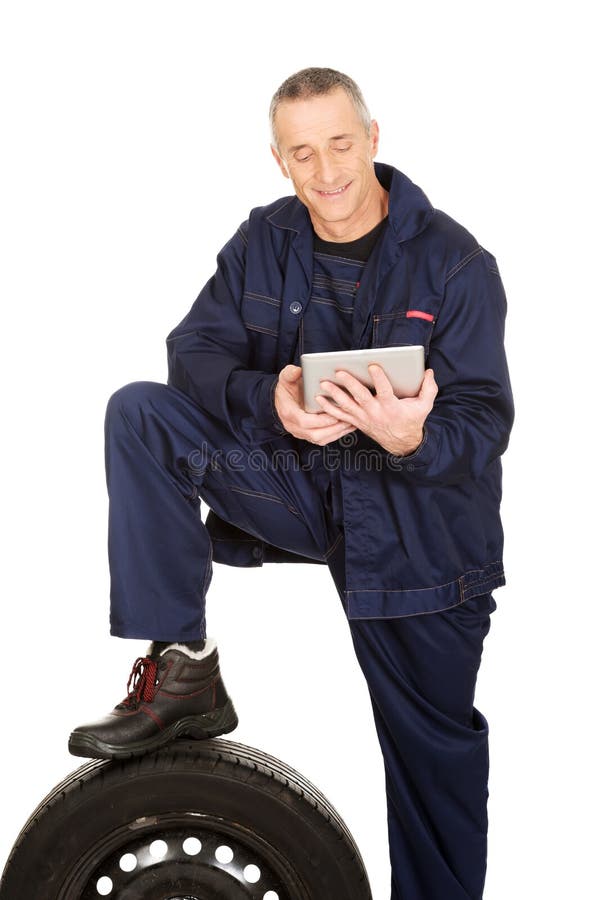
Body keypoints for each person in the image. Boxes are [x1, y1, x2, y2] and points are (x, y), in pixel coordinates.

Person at [69, 68, 514, 900]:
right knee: (141, 414)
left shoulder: (455, 263)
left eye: (339, 144)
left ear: (373, 140)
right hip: (301, 486)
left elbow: (486, 421)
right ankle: (184, 667)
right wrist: (263, 396)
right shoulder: (264, 240)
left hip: (418, 534)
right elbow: (192, 352)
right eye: (302, 153)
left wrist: (413, 434)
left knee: (433, 763)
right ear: (279, 160)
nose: (325, 171)